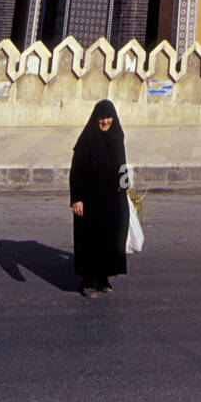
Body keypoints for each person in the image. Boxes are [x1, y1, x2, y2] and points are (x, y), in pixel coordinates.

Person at [69, 99, 130, 297]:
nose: (105, 122)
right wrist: (77, 198)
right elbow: (76, 171)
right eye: (101, 118)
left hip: (111, 199)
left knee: (109, 237)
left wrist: (125, 187)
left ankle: (104, 276)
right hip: (89, 199)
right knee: (89, 239)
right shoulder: (86, 139)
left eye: (108, 117)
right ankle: (87, 280)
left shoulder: (116, 135)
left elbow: (122, 162)